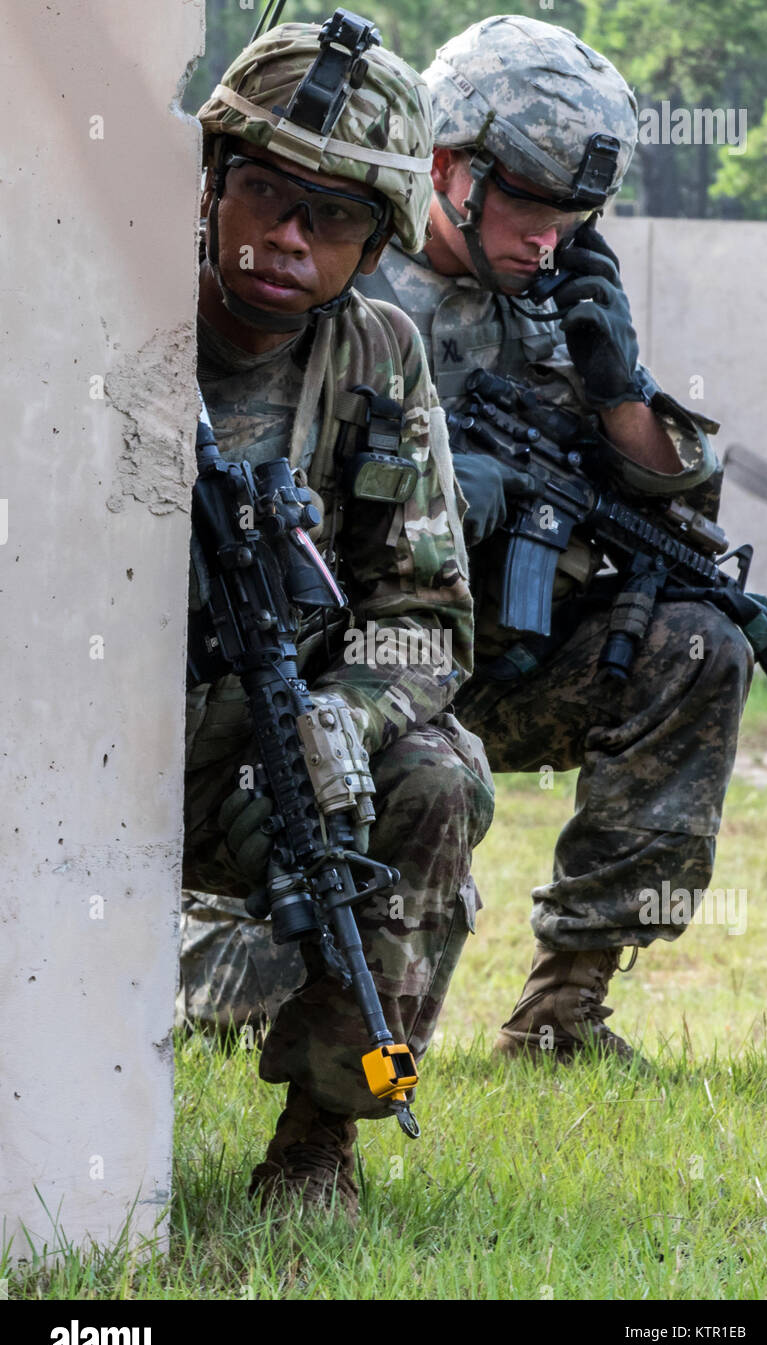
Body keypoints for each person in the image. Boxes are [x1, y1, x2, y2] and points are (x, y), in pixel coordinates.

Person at [359, 14, 752, 1064]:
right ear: (448, 169)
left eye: (573, 219)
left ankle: (561, 1010)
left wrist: (619, 389)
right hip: (351, 668)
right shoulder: (340, 273)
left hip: (502, 662)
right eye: (532, 212)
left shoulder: (557, 301)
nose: (550, 242)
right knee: (232, 1007)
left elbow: (683, 519)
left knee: (701, 641)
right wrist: (439, 495)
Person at [183, 15, 494, 1219]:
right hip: (59, 732)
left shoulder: (380, 360)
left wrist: (339, 723)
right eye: (264, 193)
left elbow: (429, 615)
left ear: (373, 246)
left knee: (433, 778)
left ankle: (321, 1141)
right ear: (213, 185)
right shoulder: (88, 304)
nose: (286, 238)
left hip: (257, 756)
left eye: (334, 218)